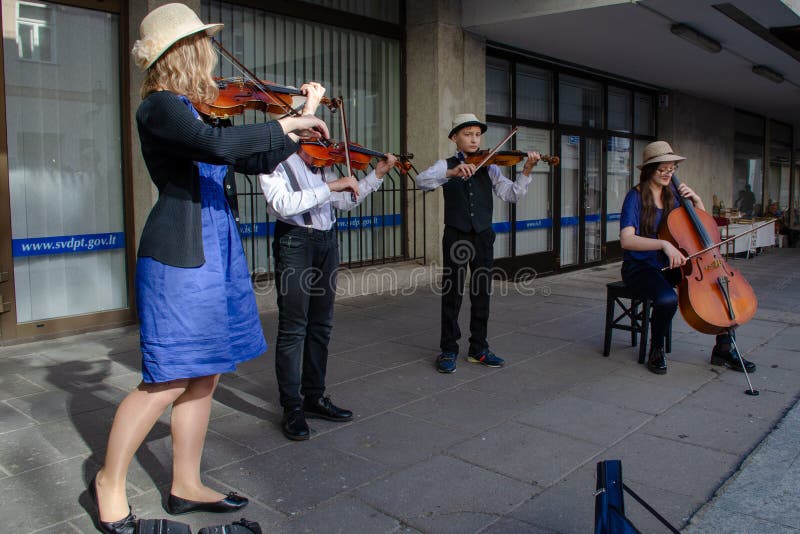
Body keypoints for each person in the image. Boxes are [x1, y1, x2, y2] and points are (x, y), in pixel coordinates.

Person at [89, 4, 330, 533]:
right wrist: (284, 121)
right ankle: (108, 482)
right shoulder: (160, 107)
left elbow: (249, 159)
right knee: (168, 377)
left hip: (215, 250)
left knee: (206, 373)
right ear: (184, 52)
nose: (209, 57)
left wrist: (292, 121)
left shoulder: (195, 111)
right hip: (179, 253)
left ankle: (185, 484)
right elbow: (216, 147)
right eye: (202, 46)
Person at [259, 83, 397, 440]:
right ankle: (291, 406)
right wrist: (332, 188)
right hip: (294, 243)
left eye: (316, 128)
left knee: (321, 325)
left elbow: (343, 201)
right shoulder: (271, 156)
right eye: (308, 127)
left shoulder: (322, 162)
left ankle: (314, 397)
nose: (317, 137)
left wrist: (375, 177)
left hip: (325, 243)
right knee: (294, 327)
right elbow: (282, 206)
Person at [415, 113, 541, 373]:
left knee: (482, 292)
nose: (474, 139)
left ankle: (478, 349)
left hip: (483, 235)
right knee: (453, 293)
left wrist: (526, 171)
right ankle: (449, 349)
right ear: (455, 138)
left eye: (477, 134)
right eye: (467, 134)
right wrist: (451, 172)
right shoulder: (445, 164)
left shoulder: (490, 165)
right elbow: (421, 181)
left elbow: (512, 194)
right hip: (456, 235)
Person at [619, 141, 756, 375]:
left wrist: (697, 201)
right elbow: (627, 240)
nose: (667, 174)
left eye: (671, 169)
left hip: (674, 264)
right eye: (662, 169)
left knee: (721, 289)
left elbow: (700, 227)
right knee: (666, 300)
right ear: (649, 169)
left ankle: (723, 349)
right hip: (641, 266)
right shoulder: (636, 197)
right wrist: (664, 244)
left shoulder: (674, 195)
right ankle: (656, 349)